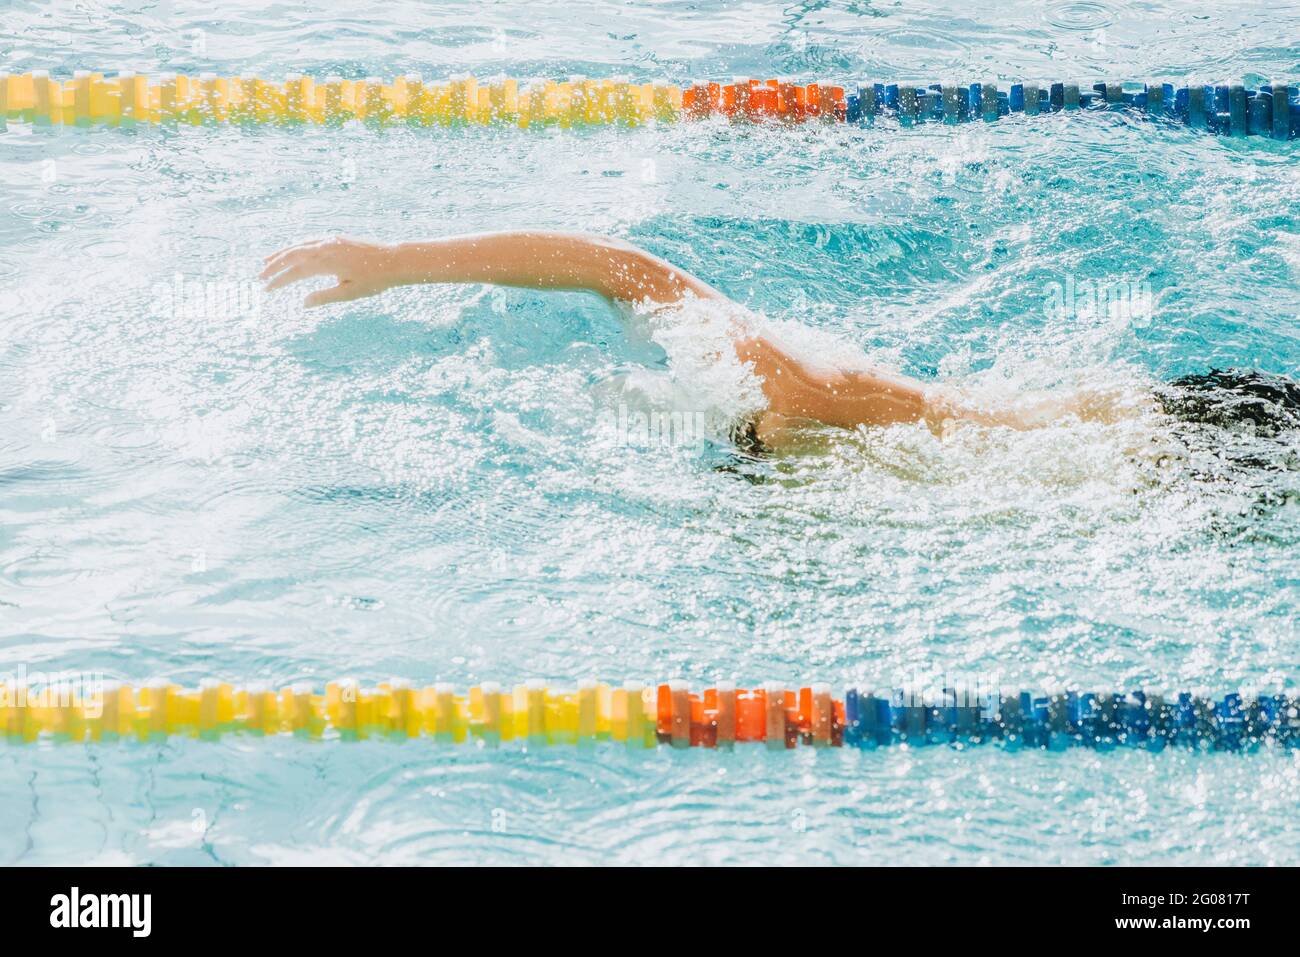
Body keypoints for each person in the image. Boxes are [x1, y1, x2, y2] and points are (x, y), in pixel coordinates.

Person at [260, 232, 1300, 455]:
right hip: (1130, 433)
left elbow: (622, 270)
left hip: (1171, 451)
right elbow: (617, 273)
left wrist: (400, 262)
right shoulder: (765, 400)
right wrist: (396, 264)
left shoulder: (781, 392)